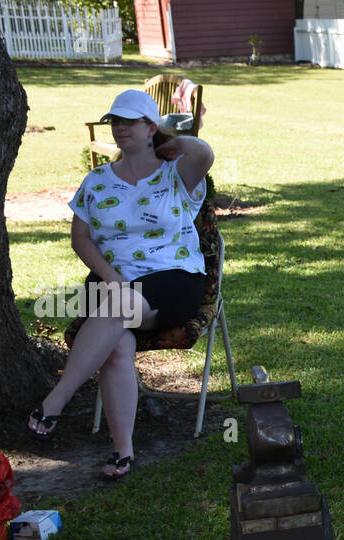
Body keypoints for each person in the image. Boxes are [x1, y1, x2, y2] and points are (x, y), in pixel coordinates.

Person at [27, 89, 214, 479]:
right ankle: (122, 452)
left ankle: (57, 399)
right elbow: (81, 239)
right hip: (113, 280)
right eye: (116, 121)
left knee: (116, 307)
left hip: (173, 279)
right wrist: (113, 278)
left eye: (131, 121)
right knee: (116, 345)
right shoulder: (96, 181)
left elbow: (204, 153)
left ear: (150, 128)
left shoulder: (176, 174)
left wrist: (171, 142)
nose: (120, 127)